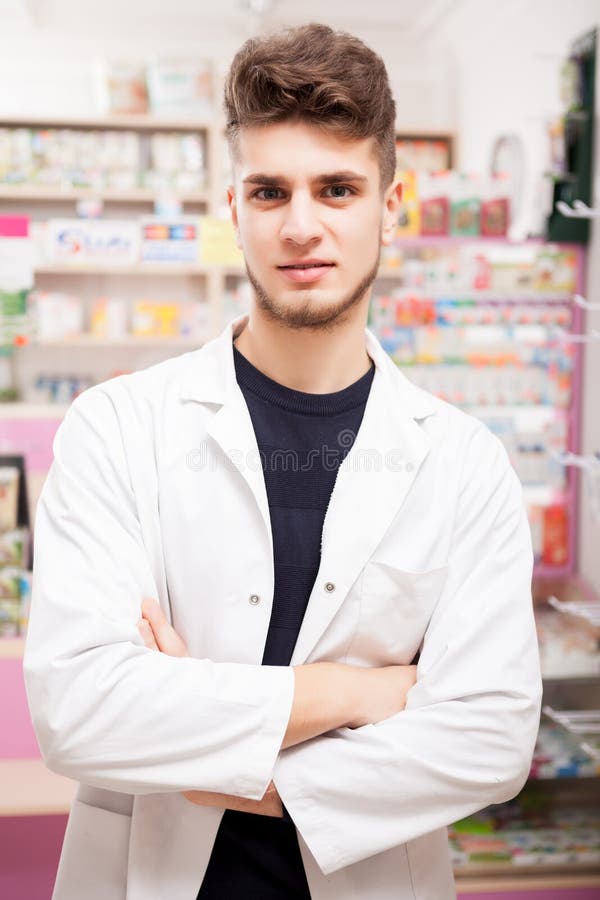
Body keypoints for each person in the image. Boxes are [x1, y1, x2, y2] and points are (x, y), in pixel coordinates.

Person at [24, 22, 542, 900]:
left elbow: (490, 739)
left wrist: (217, 750)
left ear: (390, 206)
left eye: (337, 189)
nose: (302, 226)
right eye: (270, 192)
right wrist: (352, 693)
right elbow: (79, 713)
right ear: (234, 211)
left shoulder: (463, 463)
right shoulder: (116, 427)